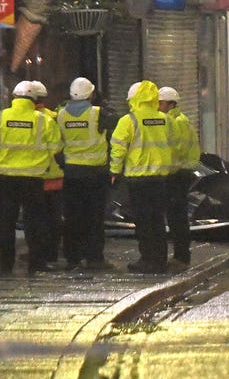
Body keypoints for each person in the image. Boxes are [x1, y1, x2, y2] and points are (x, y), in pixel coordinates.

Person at [0, 81, 62, 275]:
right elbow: (56, 148)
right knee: (35, 223)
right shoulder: (43, 121)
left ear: (14, 97)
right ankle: (36, 264)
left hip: (6, 179)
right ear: (34, 100)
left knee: (6, 223)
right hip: (33, 180)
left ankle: (6, 264)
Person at [110, 80, 175, 274]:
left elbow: (118, 149)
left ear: (134, 100)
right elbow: (172, 144)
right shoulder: (165, 119)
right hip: (160, 178)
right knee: (157, 220)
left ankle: (147, 260)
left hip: (138, 179)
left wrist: (114, 170)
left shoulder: (128, 121)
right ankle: (160, 260)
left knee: (144, 221)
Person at [57, 77, 114, 271]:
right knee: (95, 218)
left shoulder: (61, 115)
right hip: (95, 174)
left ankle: (73, 258)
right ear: (91, 94)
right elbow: (116, 124)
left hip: (71, 173)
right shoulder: (98, 113)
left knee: (72, 218)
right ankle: (94, 258)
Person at [157, 86, 196, 268]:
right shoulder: (176, 120)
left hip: (177, 174)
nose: (158, 106)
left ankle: (181, 256)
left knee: (177, 218)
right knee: (176, 216)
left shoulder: (177, 121)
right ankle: (181, 255)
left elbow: (176, 149)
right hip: (178, 172)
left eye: (161, 103)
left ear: (171, 104)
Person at [29, 81, 64, 267]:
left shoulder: (22, 118)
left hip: (32, 178)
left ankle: (38, 253)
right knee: (53, 218)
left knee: (35, 219)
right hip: (55, 176)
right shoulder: (54, 117)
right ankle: (52, 254)